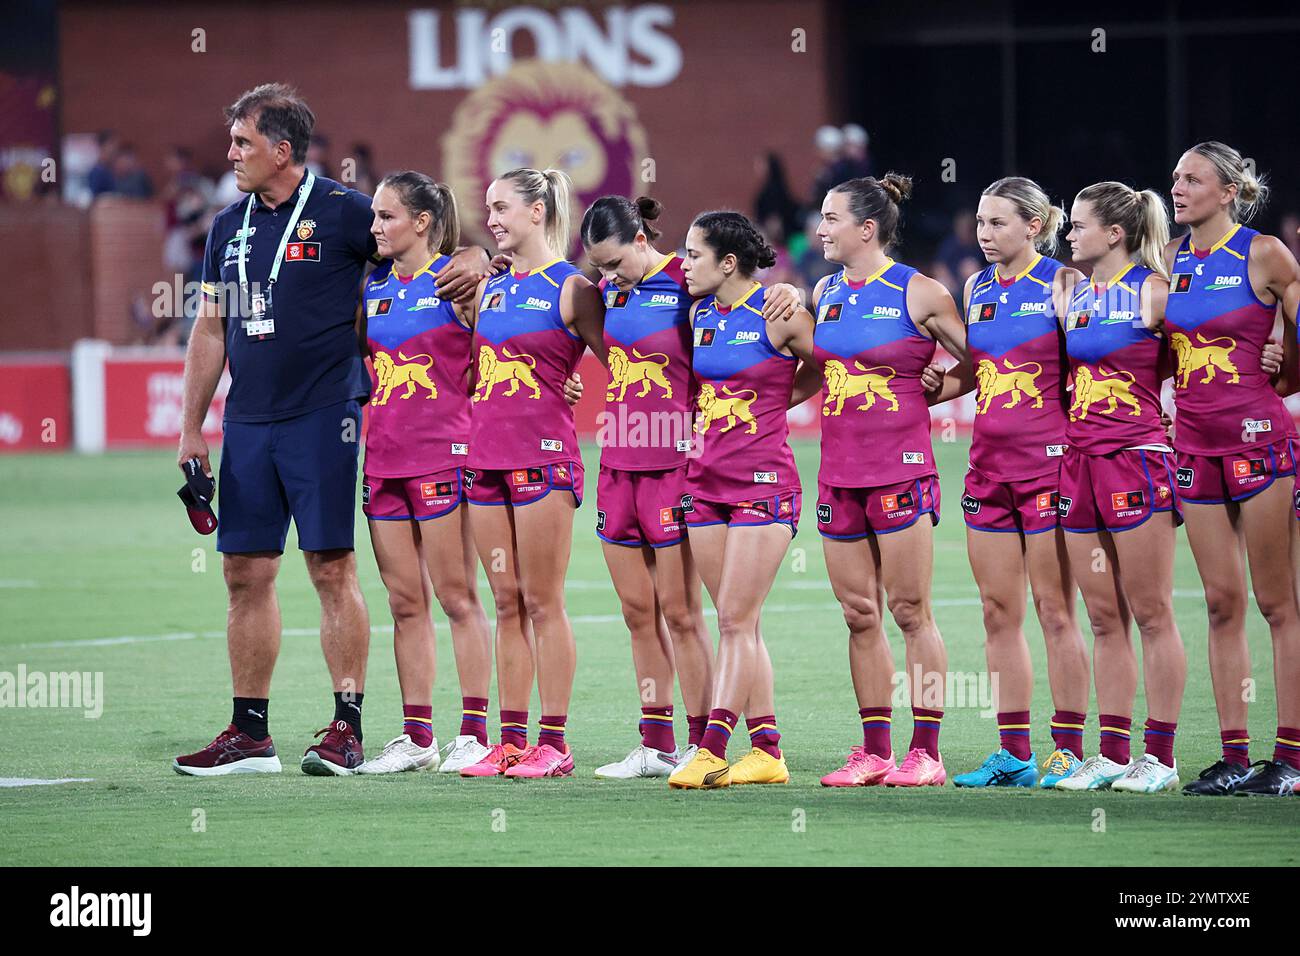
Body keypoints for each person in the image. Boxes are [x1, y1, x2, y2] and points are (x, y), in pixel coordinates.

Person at [172, 83, 487, 777]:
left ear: (282, 150)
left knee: (331, 567)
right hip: (248, 420)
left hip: (327, 417)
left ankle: (346, 726)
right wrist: (191, 428)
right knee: (243, 572)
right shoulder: (227, 226)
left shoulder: (348, 215)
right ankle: (249, 734)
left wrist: (474, 264)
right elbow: (210, 326)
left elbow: (423, 256)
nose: (230, 154)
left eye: (242, 143)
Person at [580, 196, 801, 778]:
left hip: (680, 463)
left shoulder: (690, 279)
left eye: (612, 263)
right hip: (618, 458)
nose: (606, 276)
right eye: (598, 268)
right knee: (636, 612)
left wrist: (793, 292)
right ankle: (655, 743)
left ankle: (706, 742)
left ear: (639, 240)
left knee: (687, 614)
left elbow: (759, 303)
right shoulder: (606, 289)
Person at [781, 175, 966, 789]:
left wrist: (949, 387)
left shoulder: (921, 292)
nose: (820, 229)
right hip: (839, 476)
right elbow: (812, 370)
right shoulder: (826, 291)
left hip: (901, 473)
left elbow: (984, 362)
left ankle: (928, 753)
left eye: (831, 219)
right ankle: (875, 752)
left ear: (867, 228)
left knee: (911, 612)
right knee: (859, 613)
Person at [923, 178, 1092, 790]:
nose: (984, 234)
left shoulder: (1066, 284)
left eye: (997, 223)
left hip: (1048, 465)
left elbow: (1095, 364)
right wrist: (937, 385)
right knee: (998, 612)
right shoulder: (976, 286)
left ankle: (1067, 753)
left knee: (1055, 610)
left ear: (1034, 225)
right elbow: (977, 368)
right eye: (980, 222)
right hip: (987, 466)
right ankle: (1014, 753)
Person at [458, 167, 606, 779]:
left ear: (538, 211)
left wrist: (569, 385)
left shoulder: (571, 288)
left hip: (543, 458)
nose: (491, 219)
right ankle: (511, 739)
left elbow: (624, 362)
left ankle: (555, 741)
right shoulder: (489, 288)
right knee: (506, 600)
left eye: (501, 208)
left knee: (544, 602)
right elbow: (475, 372)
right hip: (484, 458)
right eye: (488, 208)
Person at [1163, 143, 1300, 796]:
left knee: (1277, 603)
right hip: (1193, 450)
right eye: (1176, 178)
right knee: (1221, 603)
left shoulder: (1264, 254)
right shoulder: (1169, 261)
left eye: (1193, 179)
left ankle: (1291, 758)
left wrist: (1286, 365)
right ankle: (1234, 758)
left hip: (1260, 444)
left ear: (1228, 191)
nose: (1179, 187)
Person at [353, 172, 494, 774]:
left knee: (457, 596)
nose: (376, 226)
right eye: (375, 216)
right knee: (405, 603)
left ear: (422, 222)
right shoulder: (374, 290)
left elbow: (506, 352)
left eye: (387, 216)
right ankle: (417, 738)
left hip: (446, 458)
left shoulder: (462, 286)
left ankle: (473, 733)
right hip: (384, 461)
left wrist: (480, 257)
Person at [667, 211, 812, 789]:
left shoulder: (779, 315)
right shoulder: (700, 311)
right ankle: (768, 750)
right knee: (739, 624)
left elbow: (831, 367)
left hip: (763, 487)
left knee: (733, 619)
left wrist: (778, 399)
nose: (684, 263)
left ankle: (712, 748)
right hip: (704, 485)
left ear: (728, 263)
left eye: (694, 254)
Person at [1052, 182, 1187, 794]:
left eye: (1079, 226)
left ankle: (1159, 757)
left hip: (1136, 461)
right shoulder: (1074, 293)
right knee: (1104, 618)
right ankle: (1109, 754)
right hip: (1080, 464)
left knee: (1153, 612)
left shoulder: (1155, 292)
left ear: (1115, 234)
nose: (1068, 235)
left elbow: (1198, 360)